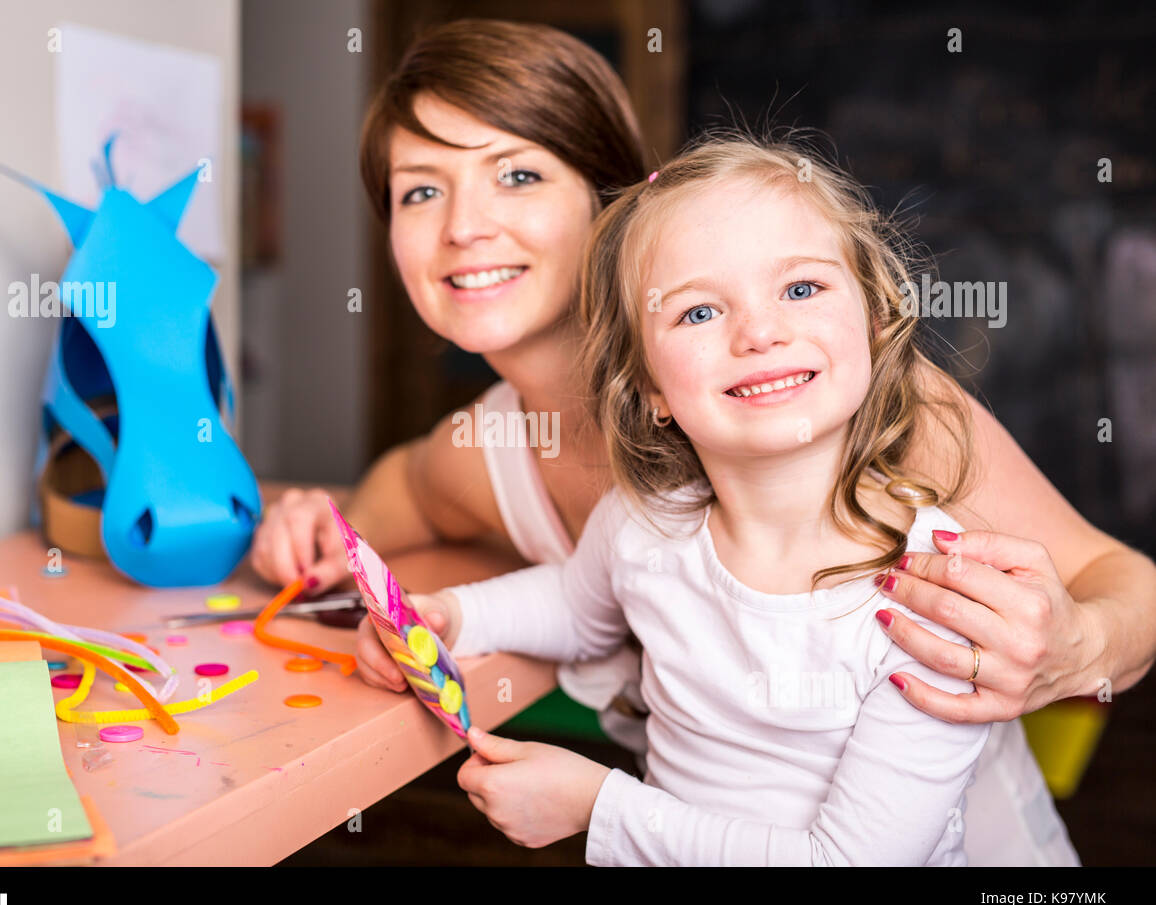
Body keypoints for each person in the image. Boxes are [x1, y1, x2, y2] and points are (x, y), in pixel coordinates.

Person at [251, 19, 1156, 864]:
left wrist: (1078, 645)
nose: (463, 226)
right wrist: (319, 532)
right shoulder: (492, 456)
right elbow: (377, 517)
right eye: (420, 190)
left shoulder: (869, 403)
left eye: (518, 173)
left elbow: (1126, 586)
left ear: (608, 200)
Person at [384, 133, 1076, 865]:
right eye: (698, 313)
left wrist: (599, 807)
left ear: (876, 322)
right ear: (650, 388)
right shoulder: (642, 525)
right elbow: (575, 608)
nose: (760, 331)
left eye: (801, 289)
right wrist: (455, 615)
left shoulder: (937, 599)